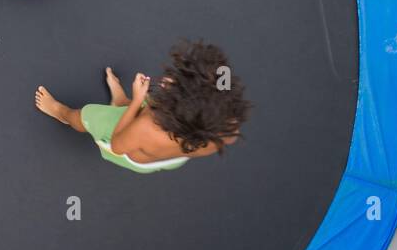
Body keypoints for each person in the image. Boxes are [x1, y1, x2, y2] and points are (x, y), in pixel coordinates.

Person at [34, 41, 250, 173]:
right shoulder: (224, 128)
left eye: (174, 87)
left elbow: (117, 145)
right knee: (129, 108)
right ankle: (119, 102)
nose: (166, 82)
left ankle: (60, 113)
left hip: (126, 142)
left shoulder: (148, 126)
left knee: (86, 115)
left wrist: (137, 100)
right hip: (169, 157)